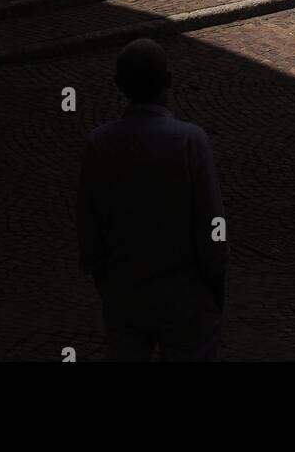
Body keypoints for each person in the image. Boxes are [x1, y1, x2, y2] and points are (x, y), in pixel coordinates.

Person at [76, 37, 228, 362]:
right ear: (169, 81)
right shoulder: (191, 141)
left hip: (123, 290)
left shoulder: (99, 143)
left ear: (119, 85)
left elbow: (87, 223)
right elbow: (211, 220)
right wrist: (215, 279)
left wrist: (102, 276)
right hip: (185, 293)